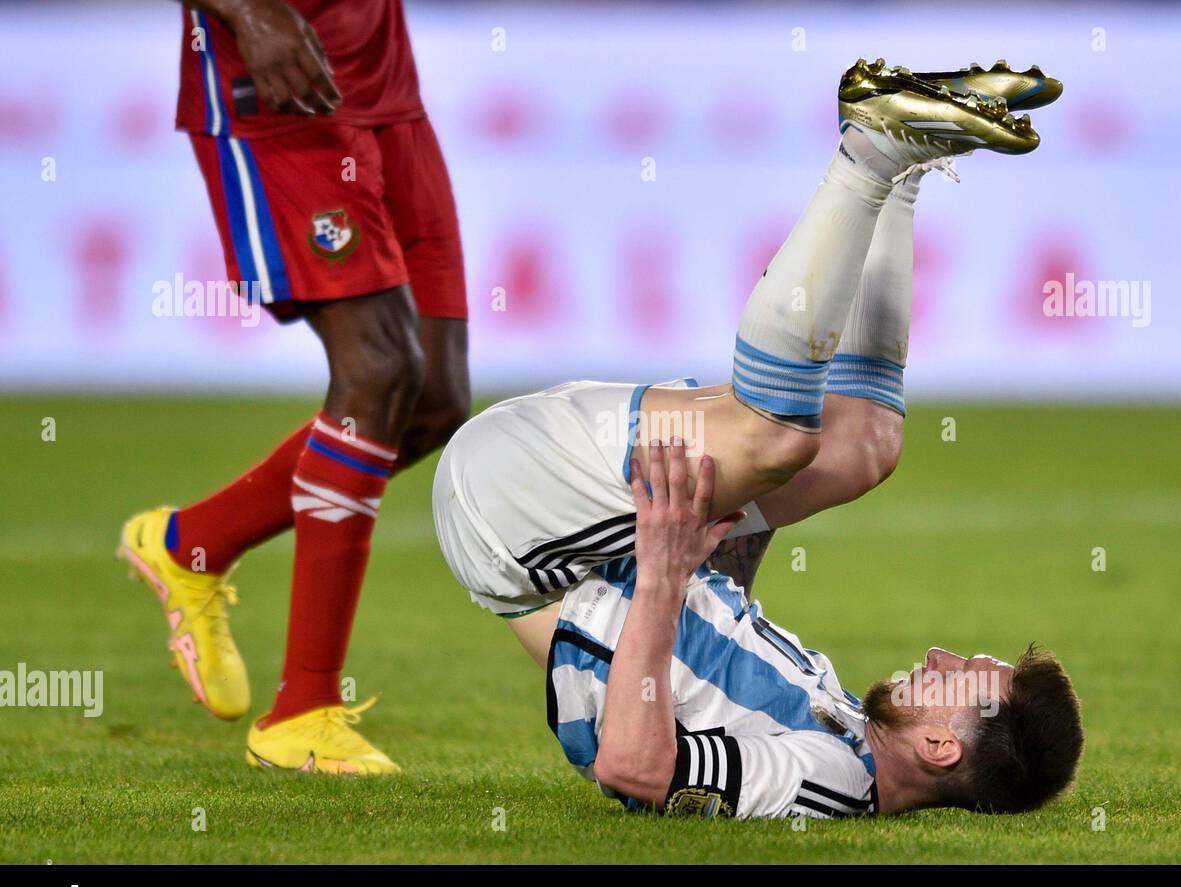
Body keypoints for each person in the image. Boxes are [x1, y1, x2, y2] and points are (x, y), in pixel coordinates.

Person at [433, 59, 1082, 817]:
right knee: (866, 444)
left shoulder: (828, 780)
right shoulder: (838, 722)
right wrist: (739, 509)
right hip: (566, 529)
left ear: (942, 747)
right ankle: (909, 165)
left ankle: (873, 152)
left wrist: (669, 570)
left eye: (958, 673)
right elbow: (693, 651)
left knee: (776, 439)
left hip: (513, 518)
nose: (938, 654)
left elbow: (634, 769)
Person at [118, 0, 469, 774]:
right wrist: (251, 14)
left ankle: (191, 543)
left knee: (436, 397)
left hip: (385, 89)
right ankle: (302, 710)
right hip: (276, 79)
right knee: (379, 368)